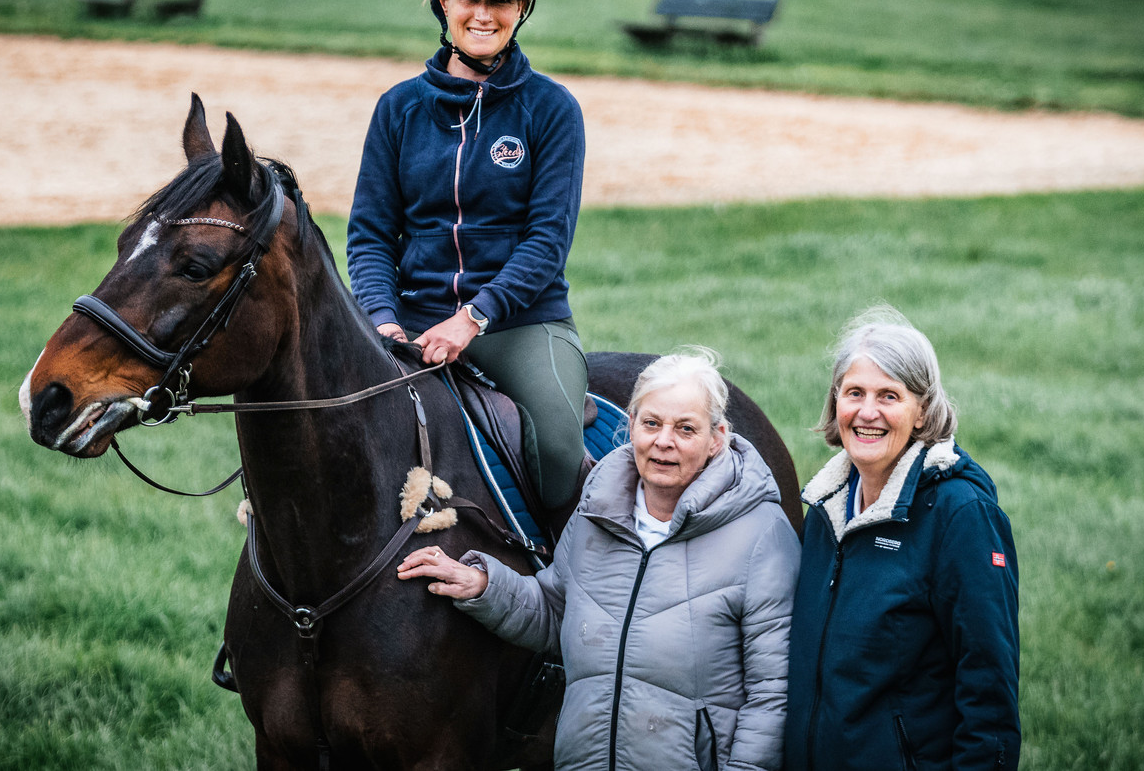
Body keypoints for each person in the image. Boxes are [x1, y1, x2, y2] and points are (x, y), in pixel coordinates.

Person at [398, 349, 801, 771]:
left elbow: (773, 693)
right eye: (651, 423)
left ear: (717, 437)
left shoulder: (760, 534)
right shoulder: (599, 511)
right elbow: (559, 614)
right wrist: (482, 584)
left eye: (686, 428)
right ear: (631, 427)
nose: (664, 441)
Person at [346, 0, 588, 518]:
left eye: (502, 1)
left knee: (559, 444)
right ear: (441, 1)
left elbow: (546, 242)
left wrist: (472, 319)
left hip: (519, 324)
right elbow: (372, 234)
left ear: (524, 8)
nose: (484, 14)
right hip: (409, 317)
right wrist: (381, 319)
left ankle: (558, 577)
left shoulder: (552, 110)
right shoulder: (397, 109)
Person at [783, 307, 1020, 771]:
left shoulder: (961, 516)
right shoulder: (824, 510)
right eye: (854, 393)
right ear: (836, 404)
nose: (867, 412)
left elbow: (989, 693)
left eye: (889, 396)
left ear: (923, 412)